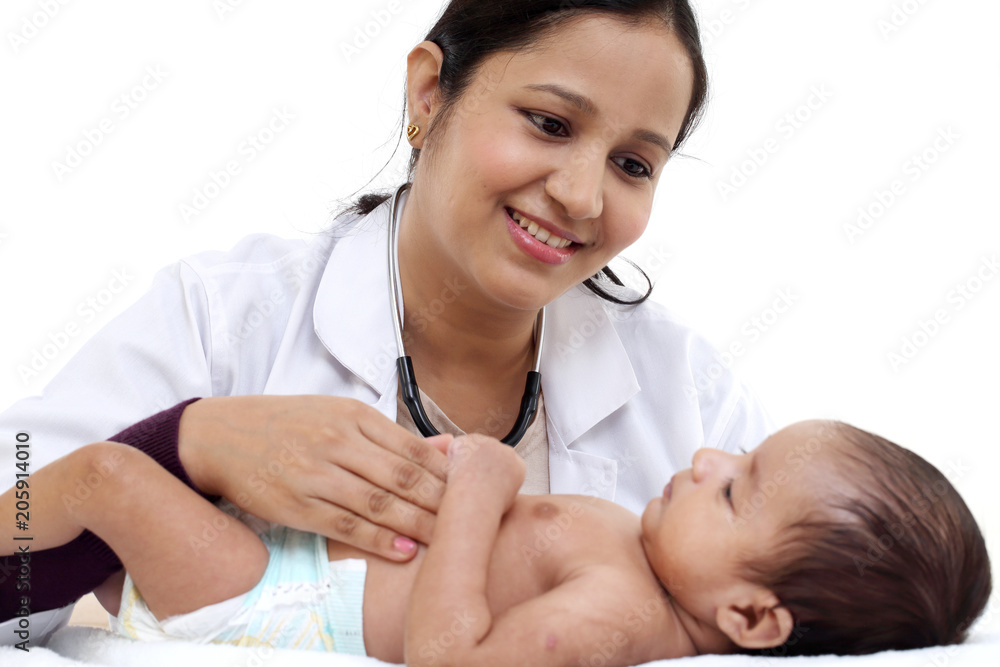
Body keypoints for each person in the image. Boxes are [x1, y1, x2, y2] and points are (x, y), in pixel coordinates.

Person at [0, 0, 773, 643]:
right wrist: (182, 443)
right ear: (429, 93)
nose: (581, 196)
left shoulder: (693, 395)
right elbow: (15, 586)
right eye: (548, 123)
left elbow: (816, 622)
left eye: (633, 164)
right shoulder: (224, 312)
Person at [1, 420, 992, 663]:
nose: (704, 454)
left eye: (734, 489)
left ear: (749, 615)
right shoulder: (643, 561)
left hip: (278, 600)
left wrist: (477, 486)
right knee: (106, 496)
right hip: (288, 557)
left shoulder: (616, 616)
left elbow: (449, 659)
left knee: (109, 477)